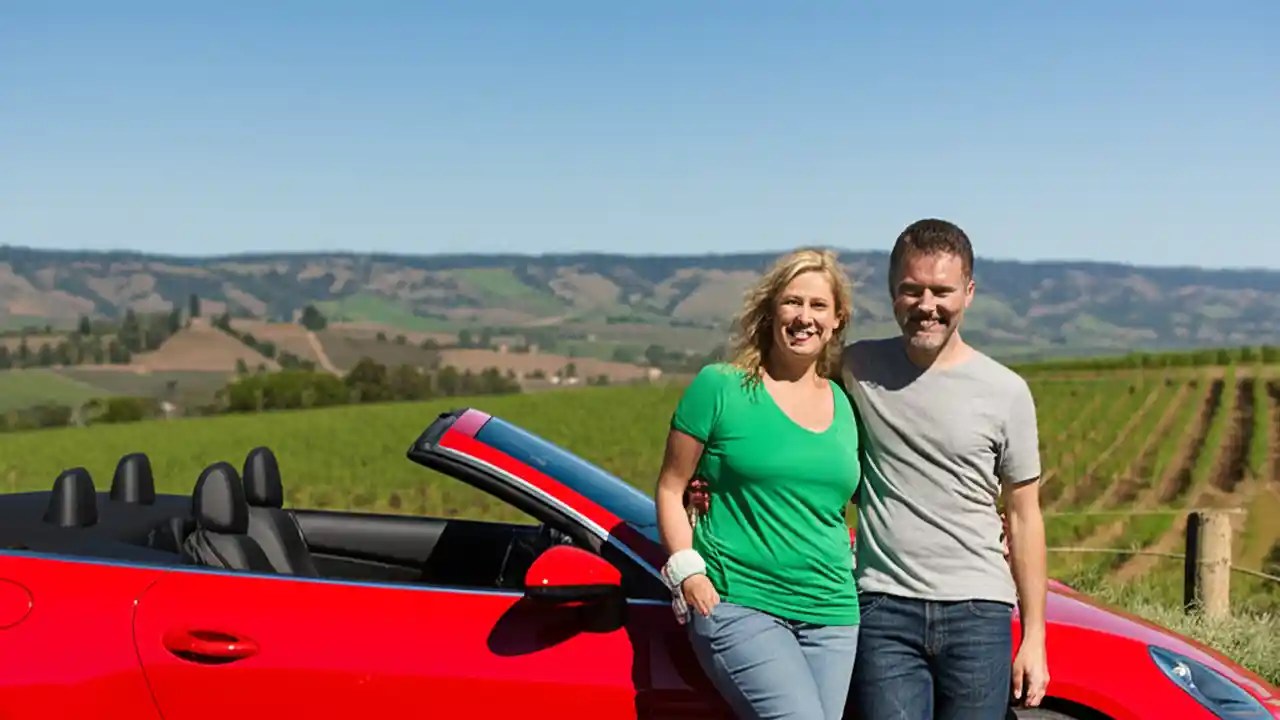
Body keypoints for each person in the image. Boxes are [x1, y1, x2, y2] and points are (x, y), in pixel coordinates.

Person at [840, 218, 1050, 719]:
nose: (926, 306)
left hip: (979, 612)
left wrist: (1036, 636)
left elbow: (1024, 516)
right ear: (893, 292)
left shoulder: (1006, 391)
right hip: (882, 608)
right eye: (911, 290)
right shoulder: (854, 368)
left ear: (969, 292)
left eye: (942, 291)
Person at [654, 247, 863, 720]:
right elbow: (671, 486)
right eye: (792, 302)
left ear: (837, 320)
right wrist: (688, 572)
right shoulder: (720, 387)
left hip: (832, 612)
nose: (803, 317)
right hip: (741, 603)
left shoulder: (845, 405)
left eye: (818, 306)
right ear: (770, 311)